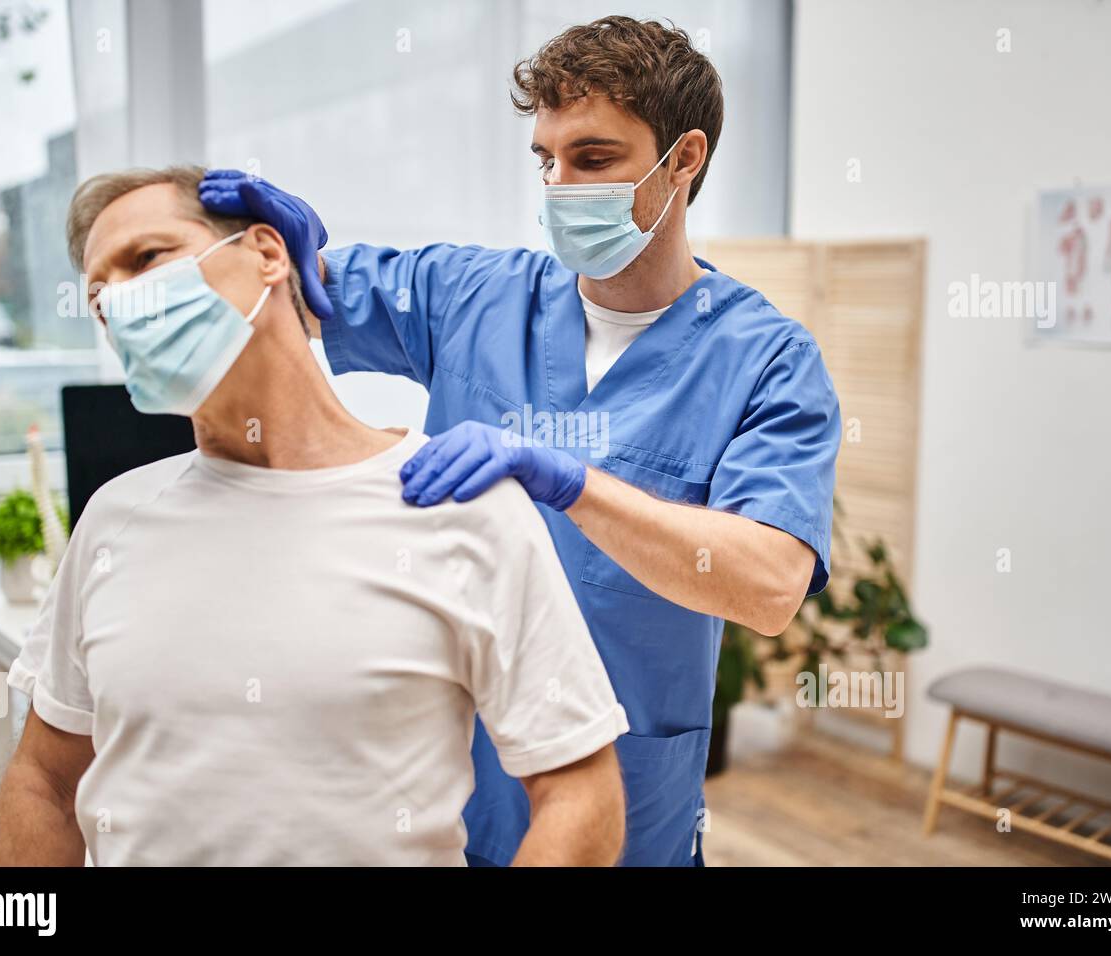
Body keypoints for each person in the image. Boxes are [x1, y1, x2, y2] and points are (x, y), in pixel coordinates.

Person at [201, 16, 841, 867]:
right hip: (446, 804)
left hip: (630, 814)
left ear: (683, 159)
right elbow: (287, 294)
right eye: (547, 160)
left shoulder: (767, 361)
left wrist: (573, 483)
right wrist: (247, 245)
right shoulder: (472, 296)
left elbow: (769, 585)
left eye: (595, 158)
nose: (561, 186)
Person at [0, 165, 629, 867]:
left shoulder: (457, 506)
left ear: (267, 252)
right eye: (99, 297)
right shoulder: (114, 520)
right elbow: (45, 782)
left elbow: (580, 794)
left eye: (146, 259)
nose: (121, 303)